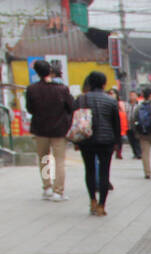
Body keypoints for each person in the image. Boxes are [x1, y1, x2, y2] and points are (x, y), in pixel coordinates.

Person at [24, 59, 73, 201]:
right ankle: (58, 191)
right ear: (50, 71)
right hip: (59, 130)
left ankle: (47, 187)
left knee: (44, 159)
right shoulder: (62, 89)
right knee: (59, 161)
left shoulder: (32, 89)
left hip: (40, 129)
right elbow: (70, 107)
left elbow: (30, 109)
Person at [74, 72, 119, 216]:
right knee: (104, 172)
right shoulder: (111, 101)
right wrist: (117, 143)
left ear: (89, 83)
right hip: (106, 141)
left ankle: (92, 200)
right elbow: (116, 124)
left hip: (86, 140)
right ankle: (101, 206)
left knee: (90, 170)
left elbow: (75, 120)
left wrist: (76, 141)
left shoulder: (81, 99)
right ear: (104, 84)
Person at [125, 90, 142, 159]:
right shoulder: (127, 105)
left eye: (133, 95)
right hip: (128, 125)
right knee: (131, 140)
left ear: (136, 96)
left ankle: (139, 153)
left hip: (137, 125)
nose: (132, 97)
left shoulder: (139, 105)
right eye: (130, 95)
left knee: (137, 139)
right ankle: (135, 153)